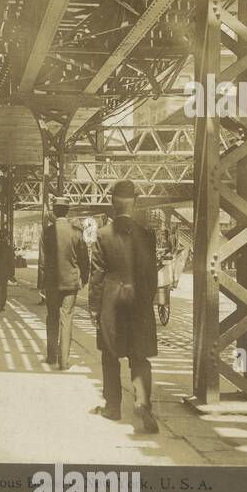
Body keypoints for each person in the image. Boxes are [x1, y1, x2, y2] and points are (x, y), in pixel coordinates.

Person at [89, 180, 159, 433]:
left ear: (112, 204)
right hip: (138, 302)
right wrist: (146, 301)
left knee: (110, 356)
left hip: (111, 302)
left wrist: (94, 308)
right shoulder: (146, 235)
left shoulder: (102, 234)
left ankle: (113, 407)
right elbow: (152, 276)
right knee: (139, 356)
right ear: (135, 203)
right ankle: (142, 403)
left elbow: (96, 275)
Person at [42, 196, 90, 370]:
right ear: (67, 211)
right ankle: (64, 361)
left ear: (54, 211)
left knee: (52, 317)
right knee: (67, 319)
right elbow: (84, 259)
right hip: (70, 282)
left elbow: (43, 260)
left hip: (52, 283)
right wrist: (84, 277)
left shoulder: (47, 232)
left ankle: (51, 356)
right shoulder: (76, 232)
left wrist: (43, 282)